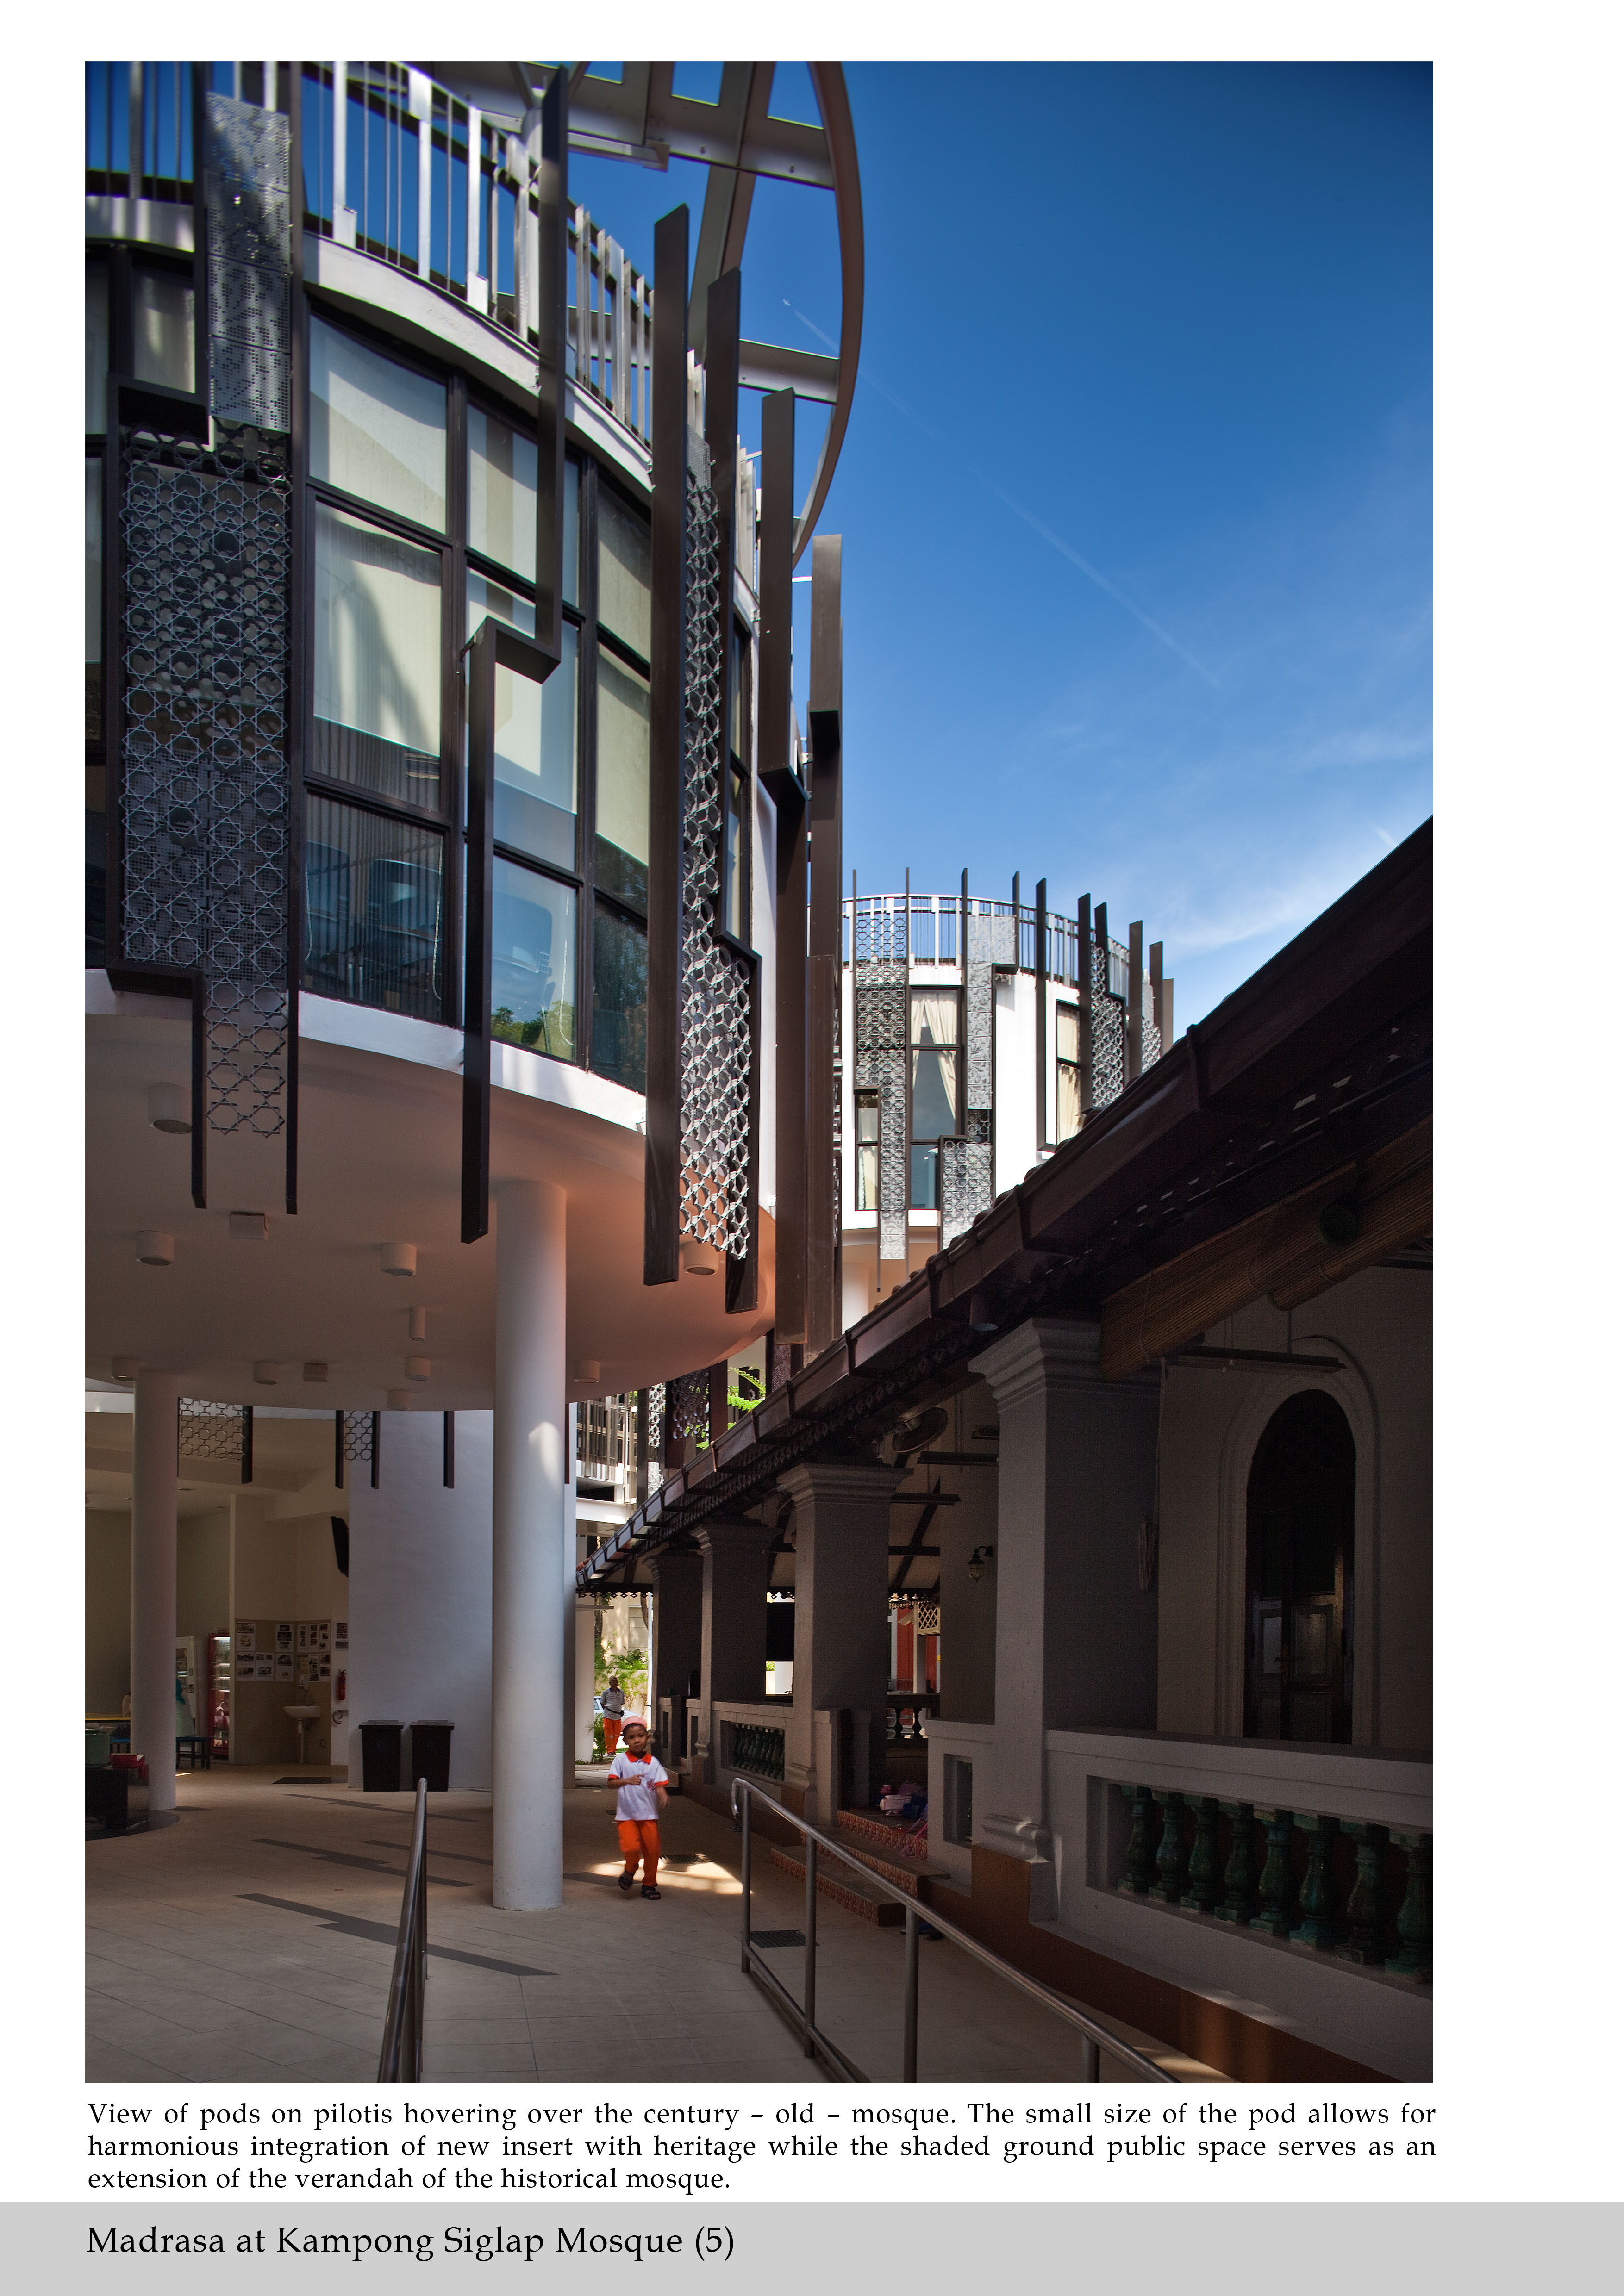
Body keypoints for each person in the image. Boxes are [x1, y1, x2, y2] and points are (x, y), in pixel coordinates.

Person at [606, 1718, 668, 1899]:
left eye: (641, 1736)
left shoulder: (654, 1762)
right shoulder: (621, 1761)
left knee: (653, 1851)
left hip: (649, 1815)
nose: (637, 1740)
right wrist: (626, 1780)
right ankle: (630, 1868)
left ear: (648, 1737)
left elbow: (659, 1783)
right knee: (631, 1849)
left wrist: (662, 1793)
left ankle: (649, 1884)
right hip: (627, 1816)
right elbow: (611, 1783)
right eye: (632, 1737)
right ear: (625, 1741)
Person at [600, 1675, 626, 1757]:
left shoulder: (621, 1692)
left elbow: (622, 1703)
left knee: (617, 1734)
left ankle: (614, 1749)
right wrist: (608, 1710)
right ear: (610, 1683)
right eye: (613, 1681)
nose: (615, 1682)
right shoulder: (606, 1692)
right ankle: (609, 1750)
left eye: (616, 1681)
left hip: (617, 1717)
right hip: (608, 1716)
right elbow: (602, 1703)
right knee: (609, 1734)